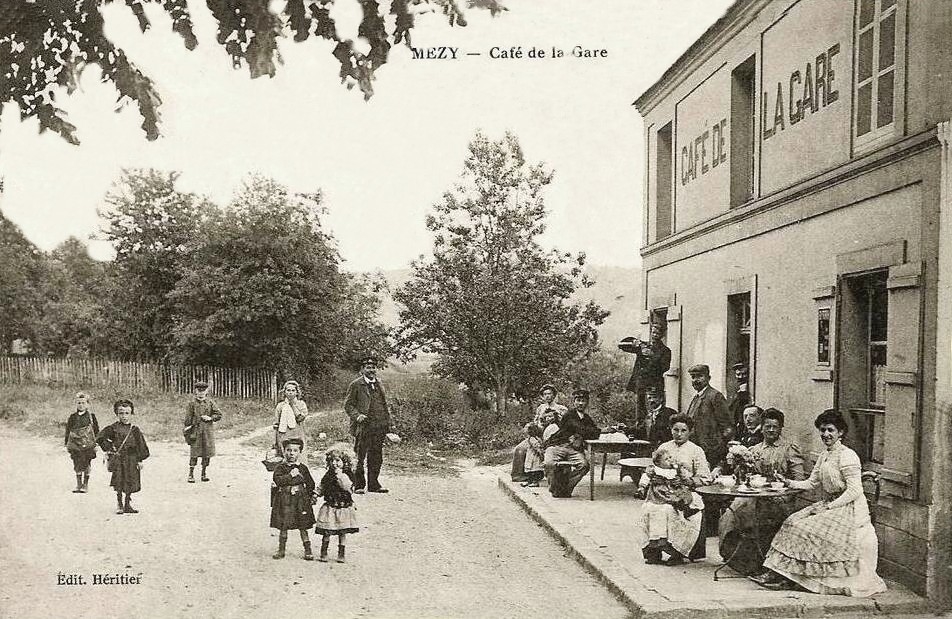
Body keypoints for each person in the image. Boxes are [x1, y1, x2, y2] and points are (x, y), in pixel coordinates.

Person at [752, 409, 887, 597]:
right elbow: (811, 482)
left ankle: (792, 576)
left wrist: (829, 507)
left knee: (803, 529)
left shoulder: (847, 456)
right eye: (823, 430)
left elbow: (855, 491)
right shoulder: (825, 455)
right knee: (792, 521)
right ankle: (783, 574)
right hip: (829, 503)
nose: (826, 435)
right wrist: (787, 482)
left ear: (841, 433)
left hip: (849, 508)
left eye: (831, 430)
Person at [717, 407, 805, 575]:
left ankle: (760, 562)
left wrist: (783, 484)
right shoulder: (754, 450)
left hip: (780, 499)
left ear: (780, 428)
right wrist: (739, 464)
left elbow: (799, 480)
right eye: (767, 426)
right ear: (762, 427)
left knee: (759, 516)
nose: (771, 430)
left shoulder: (788, 449)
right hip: (755, 496)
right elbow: (744, 478)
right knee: (732, 513)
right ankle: (736, 558)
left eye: (775, 427)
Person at [636, 414, 710, 565]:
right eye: (676, 429)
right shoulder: (664, 447)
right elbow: (654, 466)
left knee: (668, 510)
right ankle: (653, 550)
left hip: (685, 492)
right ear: (671, 430)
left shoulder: (696, 450)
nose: (679, 434)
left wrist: (687, 480)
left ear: (690, 432)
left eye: (684, 430)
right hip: (661, 491)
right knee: (648, 507)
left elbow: (705, 478)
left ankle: (676, 551)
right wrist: (652, 475)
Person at [344, 356, 393, 494]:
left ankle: (374, 484)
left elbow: (384, 404)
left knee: (376, 455)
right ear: (362, 369)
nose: (371, 370)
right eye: (368, 367)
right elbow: (348, 405)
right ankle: (358, 484)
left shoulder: (379, 384)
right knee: (359, 455)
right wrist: (357, 416)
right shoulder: (356, 385)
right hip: (363, 426)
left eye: (373, 367)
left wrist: (387, 423)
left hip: (379, 426)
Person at [542, 388, 602, 497]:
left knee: (584, 465)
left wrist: (584, 433)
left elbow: (596, 433)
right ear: (574, 402)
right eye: (578, 400)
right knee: (549, 464)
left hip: (573, 449)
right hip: (557, 445)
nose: (580, 403)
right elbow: (578, 427)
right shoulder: (569, 415)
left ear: (587, 402)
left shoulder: (587, 418)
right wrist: (583, 432)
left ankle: (564, 486)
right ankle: (555, 487)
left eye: (583, 401)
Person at [96, 399, 150, 515]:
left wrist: (140, 460)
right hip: (119, 460)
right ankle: (119, 503)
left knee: (130, 481)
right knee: (119, 481)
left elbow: (141, 446)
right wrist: (110, 449)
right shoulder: (113, 428)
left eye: (127, 413)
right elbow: (100, 438)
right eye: (121, 413)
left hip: (131, 459)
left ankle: (127, 504)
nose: (124, 416)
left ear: (131, 414)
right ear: (116, 413)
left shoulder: (134, 430)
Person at [269, 437, 316, 560]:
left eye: (295, 450)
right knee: (283, 525)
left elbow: (310, 483)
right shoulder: (280, 467)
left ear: (300, 452)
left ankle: (308, 550)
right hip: (284, 500)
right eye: (288, 450)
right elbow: (277, 480)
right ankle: (281, 550)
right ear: (284, 451)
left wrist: (311, 496)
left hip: (300, 500)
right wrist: (290, 475)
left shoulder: (303, 468)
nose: (291, 453)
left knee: (303, 525)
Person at [511, 384, 568, 482]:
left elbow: (565, 425)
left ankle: (538, 473)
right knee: (519, 449)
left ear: (554, 395)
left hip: (553, 437)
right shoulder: (540, 408)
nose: (547, 396)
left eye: (549, 393)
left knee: (538, 450)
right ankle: (520, 475)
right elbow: (536, 423)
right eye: (545, 394)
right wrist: (531, 428)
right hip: (538, 435)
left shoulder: (561, 408)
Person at [622, 322, 671, 433]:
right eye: (653, 332)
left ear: (662, 335)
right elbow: (622, 345)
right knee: (640, 409)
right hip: (640, 384)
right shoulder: (643, 345)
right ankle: (640, 431)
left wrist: (652, 356)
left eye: (657, 333)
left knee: (655, 409)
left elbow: (664, 367)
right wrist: (634, 342)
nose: (654, 335)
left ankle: (655, 432)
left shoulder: (665, 351)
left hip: (654, 385)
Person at [314, 446, 359, 563]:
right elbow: (322, 486)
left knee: (342, 531)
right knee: (327, 531)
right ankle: (323, 552)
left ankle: (341, 553)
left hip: (343, 506)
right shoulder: (328, 474)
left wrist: (340, 476)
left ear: (345, 462)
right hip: (330, 505)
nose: (334, 463)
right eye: (331, 461)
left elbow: (348, 488)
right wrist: (316, 494)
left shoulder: (348, 474)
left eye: (338, 460)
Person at [685, 364, 733, 471]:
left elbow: (727, 426)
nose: (696, 380)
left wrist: (717, 448)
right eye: (693, 377)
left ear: (708, 378)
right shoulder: (696, 398)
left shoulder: (715, 396)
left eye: (699, 376)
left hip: (711, 452)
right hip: (696, 450)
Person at [637, 447, 703, 521]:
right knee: (669, 497)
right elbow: (645, 477)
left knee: (684, 493)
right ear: (658, 463)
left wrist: (682, 473)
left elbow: (683, 476)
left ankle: (686, 509)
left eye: (670, 457)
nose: (670, 460)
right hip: (661, 489)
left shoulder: (674, 468)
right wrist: (642, 487)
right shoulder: (654, 470)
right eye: (666, 459)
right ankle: (680, 506)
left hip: (674, 487)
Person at [184, 381, 222, 483]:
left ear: (206, 391)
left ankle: (204, 474)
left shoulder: (210, 403)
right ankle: (191, 474)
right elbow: (187, 420)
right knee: (194, 453)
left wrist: (210, 418)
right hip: (196, 432)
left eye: (203, 391)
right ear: (195, 391)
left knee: (207, 453)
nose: (201, 393)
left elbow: (218, 414)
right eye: (199, 391)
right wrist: (189, 430)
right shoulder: (191, 404)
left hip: (207, 433)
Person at [64, 391, 99, 493]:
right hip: (75, 444)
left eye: (83, 403)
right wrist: (66, 443)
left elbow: (96, 431)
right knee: (76, 462)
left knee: (87, 462)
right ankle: (78, 484)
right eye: (79, 403)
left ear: (88, 404)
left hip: (88, 444)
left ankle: (85, 484)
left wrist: (97, 443)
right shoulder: (72, 417)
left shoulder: (91, 417)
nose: (81, 405)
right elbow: (68, 430)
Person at [522, 407, 562, 487]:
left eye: (551, 416)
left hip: (548, 447)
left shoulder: (553, 427)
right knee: (531, 468)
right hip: (540, 448)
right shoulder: (546, 427)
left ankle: (534, 481)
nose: (549, 418)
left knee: (535, 468)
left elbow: (548, 440)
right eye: (547, 417)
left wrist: (541, 449)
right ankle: (530, 481)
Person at [275, 380, 308, 457]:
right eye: (288, 390)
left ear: (297, 392)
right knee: (285, 459)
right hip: (284, 436)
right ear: (285, 392)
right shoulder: (280, 406)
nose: (290, 392)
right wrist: (276, 442)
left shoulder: (301, 404)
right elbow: (277, 425)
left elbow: (300, 418)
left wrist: (292, 405)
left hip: (298, 435)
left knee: (298, 458)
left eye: (293, 390)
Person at [727, 363, 750, 430]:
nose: (740, 377)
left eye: (744, 374)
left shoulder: (745, 387)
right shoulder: (735, 388)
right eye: (738, 374)